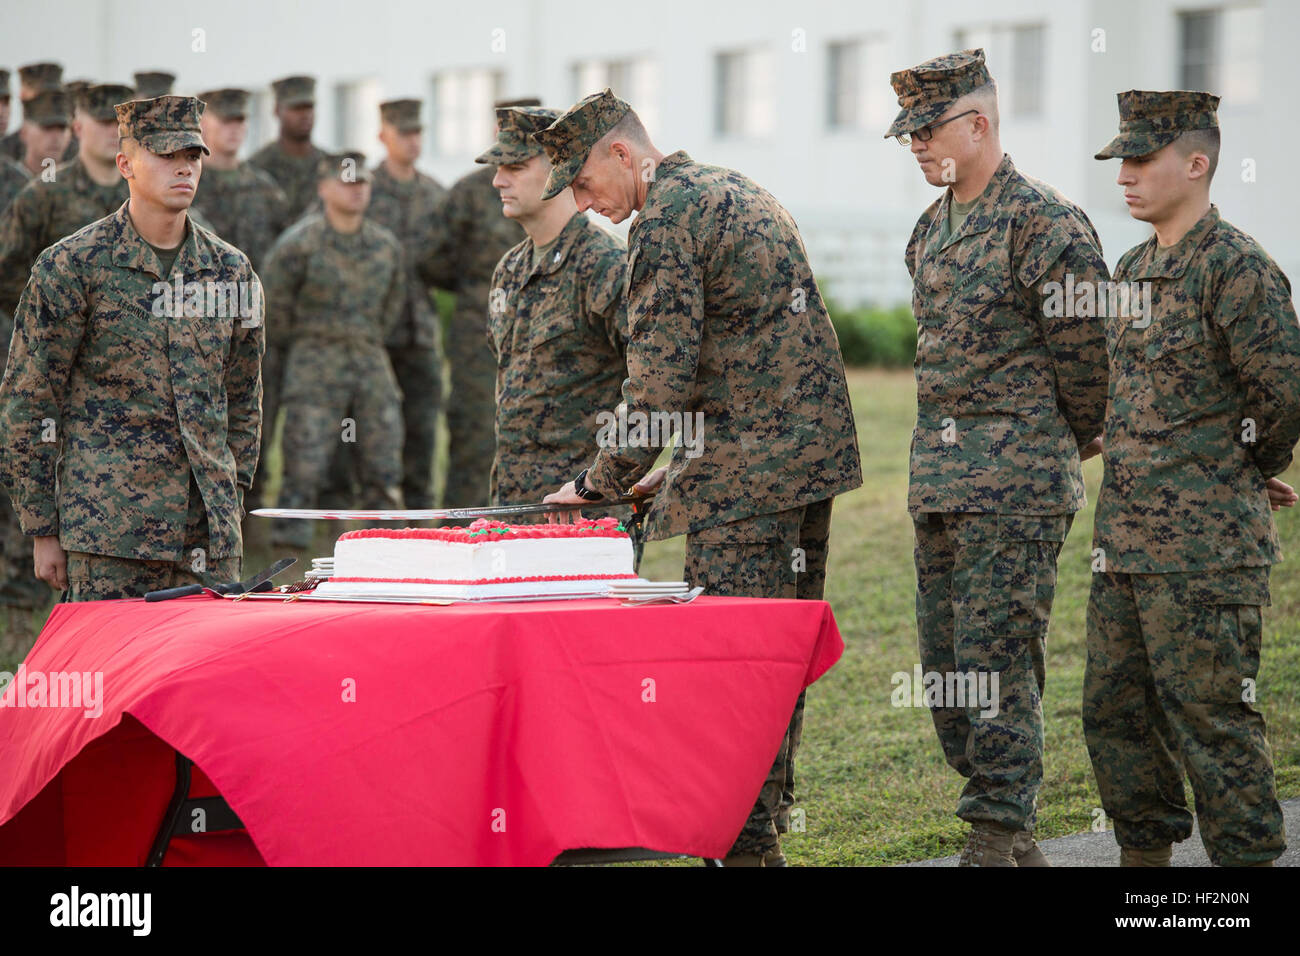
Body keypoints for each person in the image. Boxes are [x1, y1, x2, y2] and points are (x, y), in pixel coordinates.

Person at [538, 89, 863, 866]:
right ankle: (764, 837)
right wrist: (675, 471)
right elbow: (743, 359)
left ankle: (747, 850)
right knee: (775, 663)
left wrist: (598, 483)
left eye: (583, 184)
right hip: (799, 466)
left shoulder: (666, 224)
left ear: (623, 154)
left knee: (731, 677)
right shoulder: (731, 188)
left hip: (747, 487)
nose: (584, 206)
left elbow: (656, 385)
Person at [886, 49, 1109, 866]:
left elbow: (1091, 368)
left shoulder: (1044, 224)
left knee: (998, 665)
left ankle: (994, 833)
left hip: (1016, 490)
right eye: (906, 132)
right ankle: (1013, 839)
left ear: (978, 124)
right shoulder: (928, 230)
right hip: (939, 489)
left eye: (927, 128)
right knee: (947, 677)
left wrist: (1058, 445)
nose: (914, 145)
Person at [1087, 89, 1300, 867]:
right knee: (1115, 718)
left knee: (1213, 721)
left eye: (1142, 160)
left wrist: (1239, 470)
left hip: (1206, 552)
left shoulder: (1237, 268)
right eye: (1122, 161)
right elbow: (1136, 396)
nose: (1126, 176)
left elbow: (1280, 396)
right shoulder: (1132, 268)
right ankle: (1146, 874)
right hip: (1125, 547)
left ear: (1197, 163)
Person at [0, 95, 263, 600]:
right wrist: (41, 527)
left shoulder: (232, 273)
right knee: (108, 678)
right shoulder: (73, 267)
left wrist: (230, 497)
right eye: (166, 156)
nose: (183, 167)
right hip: (109, 536)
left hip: (206, 538)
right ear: (126, 164)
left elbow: (243, 398)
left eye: (192, 156)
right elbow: (28, 401)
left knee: (204, 677)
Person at [475, 105, 627, 505]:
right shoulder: (510, 269)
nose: (497, 180)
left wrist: (604, 480)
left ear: (561, 168)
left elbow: (654, 384)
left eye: (515, 167)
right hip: (513, 504)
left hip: (582, 510)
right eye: (497, 167)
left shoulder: (604, 265)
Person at [262, 151, 405, 549]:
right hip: (314, 367)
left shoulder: (384, 246)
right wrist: (311, 342)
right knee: (304, 466)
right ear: (324, 188)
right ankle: (290, 550)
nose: (356, 190)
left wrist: (363, 338)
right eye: (346, 183)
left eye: (362, 183)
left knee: (382, 460)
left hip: (370, 366)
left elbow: (392, 307)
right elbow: (275, 307)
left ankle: (386, 545)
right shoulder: (299, 244)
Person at [329, 98, 445, 510]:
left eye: (418, 133)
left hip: (419, 330)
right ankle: (360, 509)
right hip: (374, 332)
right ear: (383, 136)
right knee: (362, 428)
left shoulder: (434, 193)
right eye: (403, 133)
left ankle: (416, 510)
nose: (412, 141)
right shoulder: (362, 188)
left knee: (422, 426)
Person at [418, 99, 532, 507]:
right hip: (477, 332)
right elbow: (431, 259)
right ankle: (461, 523)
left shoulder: (558, 189)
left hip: (538, 325)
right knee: (472, 429)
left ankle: (521, 521)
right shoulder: (467, 191)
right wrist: (474, 291)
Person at [192, 87, 289, 519]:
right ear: (204, 126)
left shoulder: (266, 190)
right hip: (198, 322)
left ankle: (250, 507)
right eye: (224, 121)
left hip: (250, 321)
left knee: (253, 411)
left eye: (240, 121)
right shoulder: (191, 181)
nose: (234, 130)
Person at [0, 83, 133, 316]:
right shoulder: (45, 194)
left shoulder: (144, 193)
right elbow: (7, 269)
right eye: (105, 123)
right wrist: (47, 319)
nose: (115, 132)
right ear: (78, 128)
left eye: (121, 123)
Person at [248, 75, 327, 223]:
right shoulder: (257, 167)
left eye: (309, 107)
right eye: (296, 108)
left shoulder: (328, 166)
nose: (305, 115)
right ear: (277, 110)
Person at [0, 62, 73, 163]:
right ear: (23, 96)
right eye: (42, 98)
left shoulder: (75, 149)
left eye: (56, 97)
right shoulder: (6, 150)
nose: (50, 103)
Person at [12, 87, 71, 179]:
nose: (56, 137)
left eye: (62, 129)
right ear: (24, 132)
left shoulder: (80, 184)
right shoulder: (6, 181)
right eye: (47, 128)